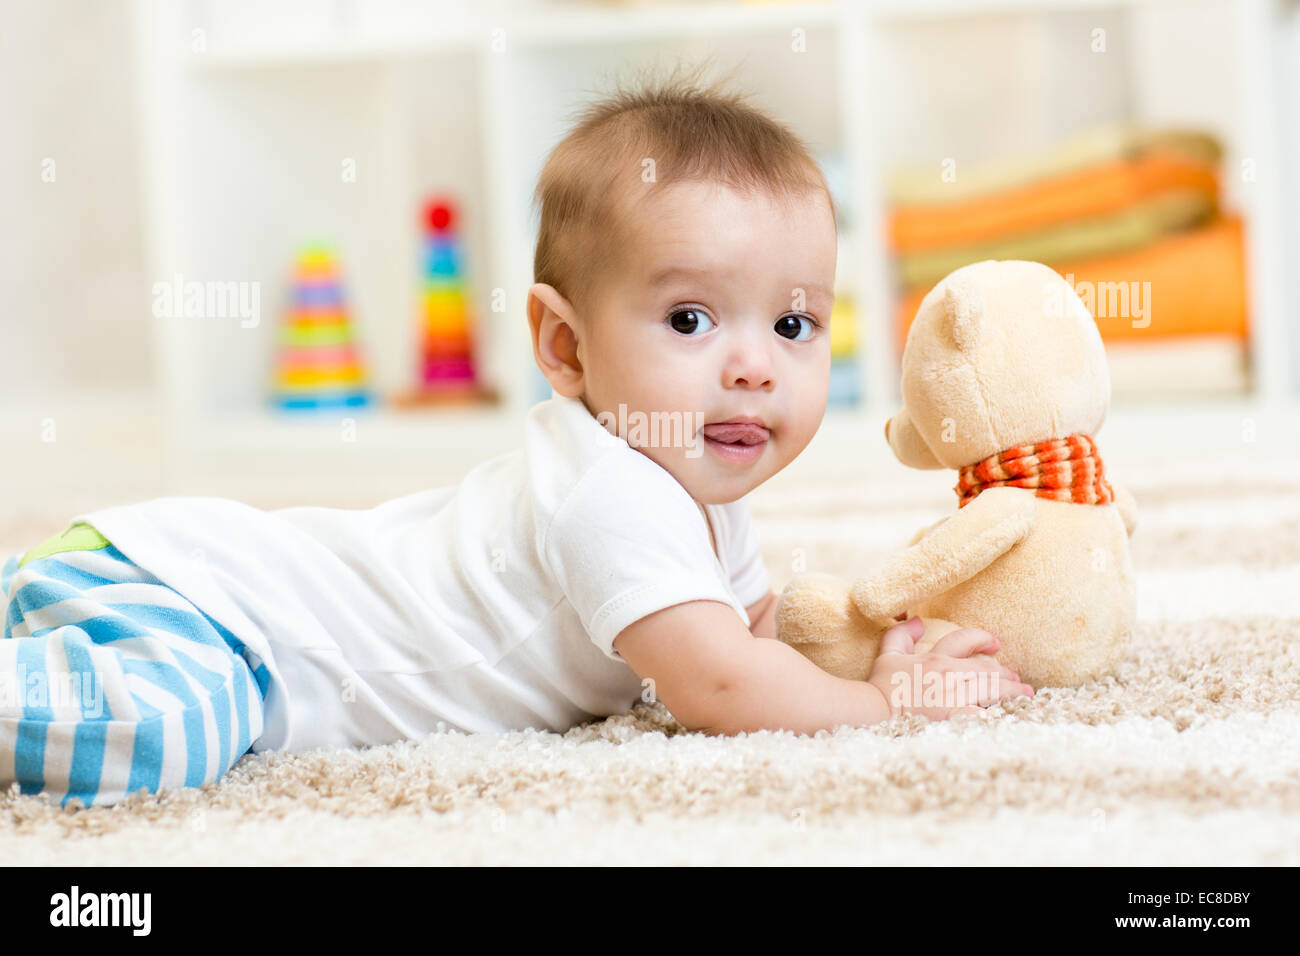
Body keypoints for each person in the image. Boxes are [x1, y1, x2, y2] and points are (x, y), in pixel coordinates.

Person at [0, 69, 1031, 809]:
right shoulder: (611, 491)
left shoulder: (697, 489)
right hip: (212, 616)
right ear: (564, 344)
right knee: (164, 734)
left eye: (794, 324)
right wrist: (887, 706)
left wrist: (872, 654)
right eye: (688, 319)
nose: (754, 365)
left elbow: (751, 639)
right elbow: (720, 685)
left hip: (162, 585)